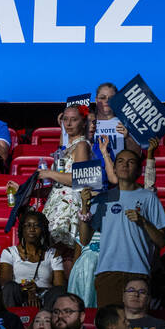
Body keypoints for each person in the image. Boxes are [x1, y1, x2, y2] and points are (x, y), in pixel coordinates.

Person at [85, 148, 165, 308]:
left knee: (136, 326)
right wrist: (84, 207)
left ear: (138, 170)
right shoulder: (102, 198)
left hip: (139, 272)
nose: (125, 165)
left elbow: (161, 241)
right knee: (109, 327)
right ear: (114, 168)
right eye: (121, 161)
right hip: (107, 272)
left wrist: (143, 222)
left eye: (131, 162)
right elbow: (84, 239)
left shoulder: (149, 197)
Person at [39, 105, 96, 247]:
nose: (69, 124)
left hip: (69, 205)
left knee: (64, 252)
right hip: (56, 203)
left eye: (74, 120)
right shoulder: (67, 147)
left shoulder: (82, 145)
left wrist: (49, 173)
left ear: (83, 123)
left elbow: (80, 179)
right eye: (65, 119)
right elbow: (59, 184)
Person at [0, 208, 66, 309]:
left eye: (37, 226)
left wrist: (38, 290)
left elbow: (60, 285)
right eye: (28, 225)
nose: (32, 229)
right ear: (22, 229)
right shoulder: (9, 253)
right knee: (10, 287)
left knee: (58, 292)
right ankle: (11, 320)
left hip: (45, 297)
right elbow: (4, 282)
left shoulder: (53, 254)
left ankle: (48, 320)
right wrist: (27, 291)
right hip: (19, 294)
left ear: (43, 229)